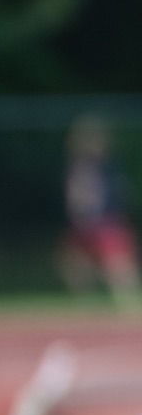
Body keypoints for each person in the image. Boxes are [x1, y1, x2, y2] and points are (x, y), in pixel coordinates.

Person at [61, 115, 141, 305]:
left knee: (117, 263)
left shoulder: (103, 166)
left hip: (106, 220)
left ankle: (129, 302)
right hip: (89, 222)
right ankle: (88, 302)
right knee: (75, 263)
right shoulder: (83, 166)